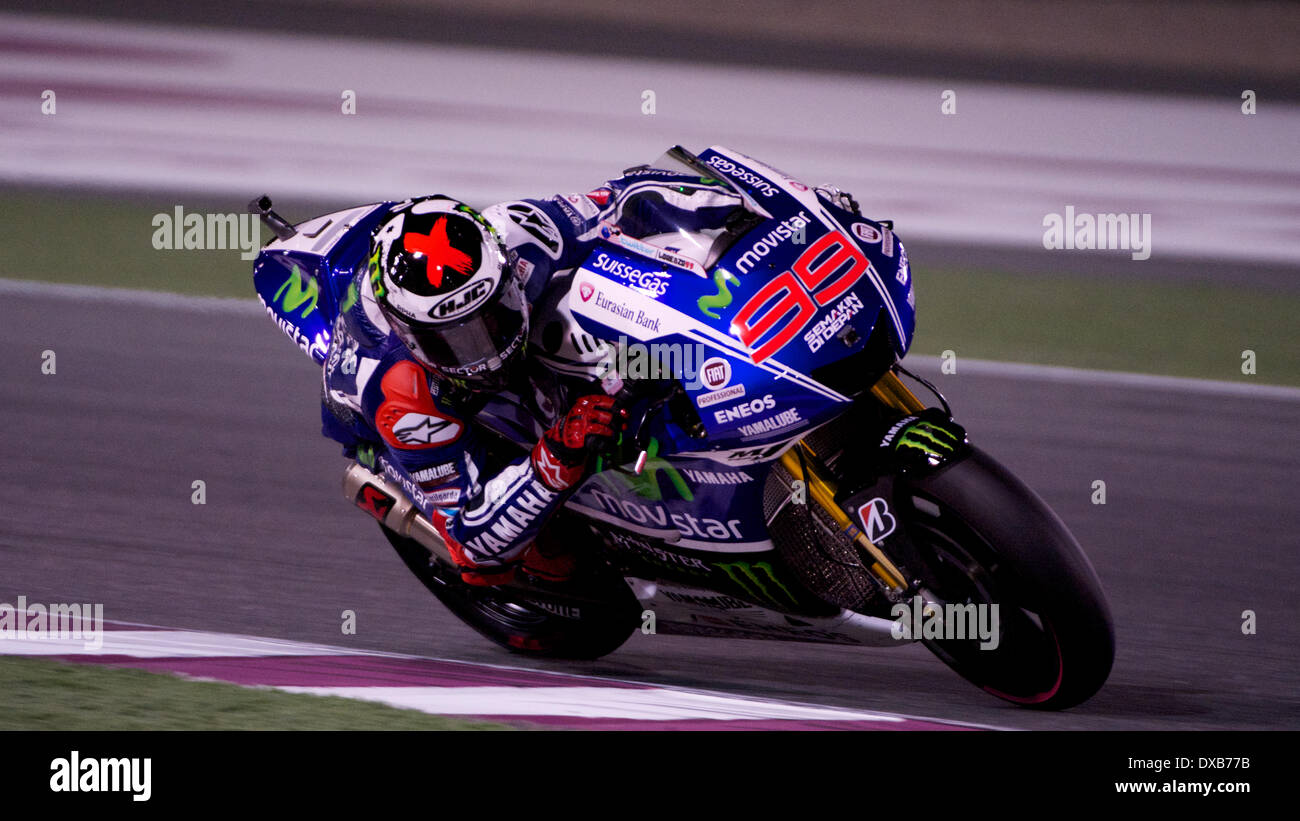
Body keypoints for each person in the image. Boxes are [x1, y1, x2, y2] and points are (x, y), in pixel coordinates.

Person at [319, 164, 859, 586]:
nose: (483, 346)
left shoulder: (523, 233)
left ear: (506, 271)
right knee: (500, 567)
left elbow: (628, 198)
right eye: (456, 337)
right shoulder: (401, 392)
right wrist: (557, 456)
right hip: (448, 427)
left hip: (548, 359)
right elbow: (473, 540)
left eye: (492, 314)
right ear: (412, 334)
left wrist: (780, 210)